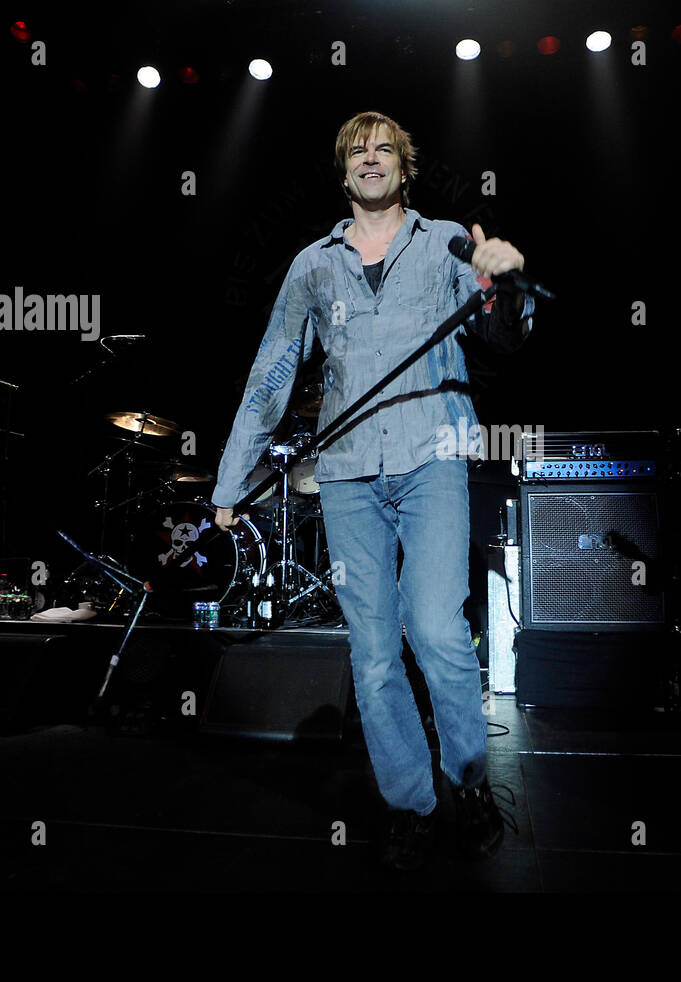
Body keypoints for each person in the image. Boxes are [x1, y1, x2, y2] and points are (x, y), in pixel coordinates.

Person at [211, 111, 535, 871]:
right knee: (374, 652)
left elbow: (505, 335)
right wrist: (232, 478)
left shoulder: (449, 240)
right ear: (343, 169)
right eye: (357, 151)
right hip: (349, 473)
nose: (370, 159)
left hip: (433, 457)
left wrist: (506, 281)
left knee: (438, 629)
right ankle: (412, 804)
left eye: (384, 148)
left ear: (404, 166)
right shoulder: (312, 266)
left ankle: (470, 782)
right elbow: (272, 371)